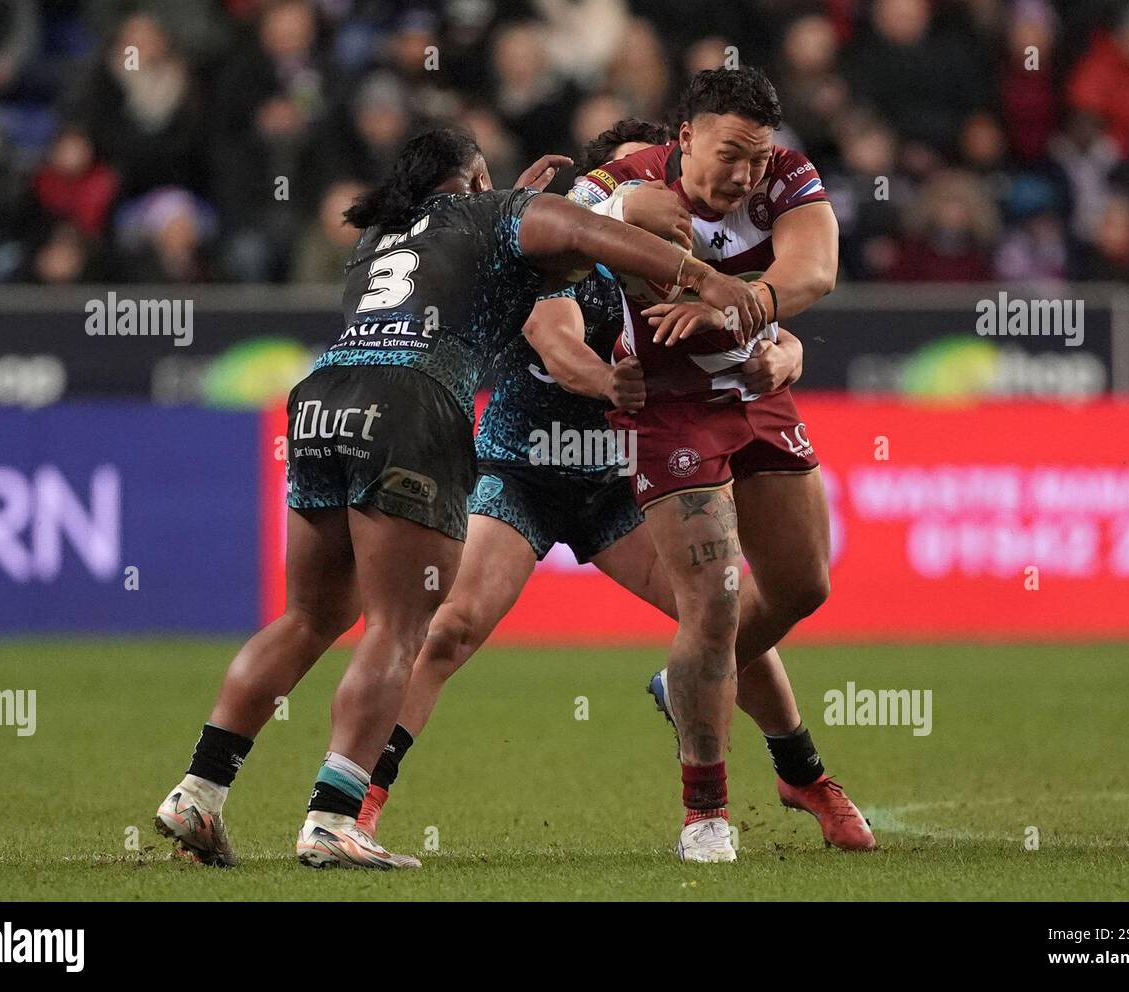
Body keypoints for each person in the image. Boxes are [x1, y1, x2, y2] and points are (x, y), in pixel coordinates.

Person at [153, 126, 763, 871]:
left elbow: (499, 257)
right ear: (475, 180)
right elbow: (589, 234)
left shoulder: (380, 236)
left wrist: (522, 199)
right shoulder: (498, 214)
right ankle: (333, 819)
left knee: (309, 616)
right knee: (398, 627)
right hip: (410, 406)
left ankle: (198, 793)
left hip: (321, 398)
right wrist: (706, 280)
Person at [356, 121, 867, 863]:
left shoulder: (682, 266)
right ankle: (364, 799)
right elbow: (557, 343)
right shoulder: (555, 259)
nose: (658, 201)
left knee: (713, 615)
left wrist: (782, 356)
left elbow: (765, 339)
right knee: (452, 628)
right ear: (606, 194)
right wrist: (608, 382)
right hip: (523, 471)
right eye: (632, 183)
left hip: (621, 484)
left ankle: (805, 776)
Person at [570, 66, 874, 861]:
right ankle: (705, 815)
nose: (743, 175)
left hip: (755, 389)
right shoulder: (628, 181)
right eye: (728, 155)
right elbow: (547, 224)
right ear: (685, 139)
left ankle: (687, 686)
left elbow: (816, 268)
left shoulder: (784, 175)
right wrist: (617, 207)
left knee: (806, 585)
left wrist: (748, 311)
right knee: (710, 604)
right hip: (666, 409)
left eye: (756, 157)